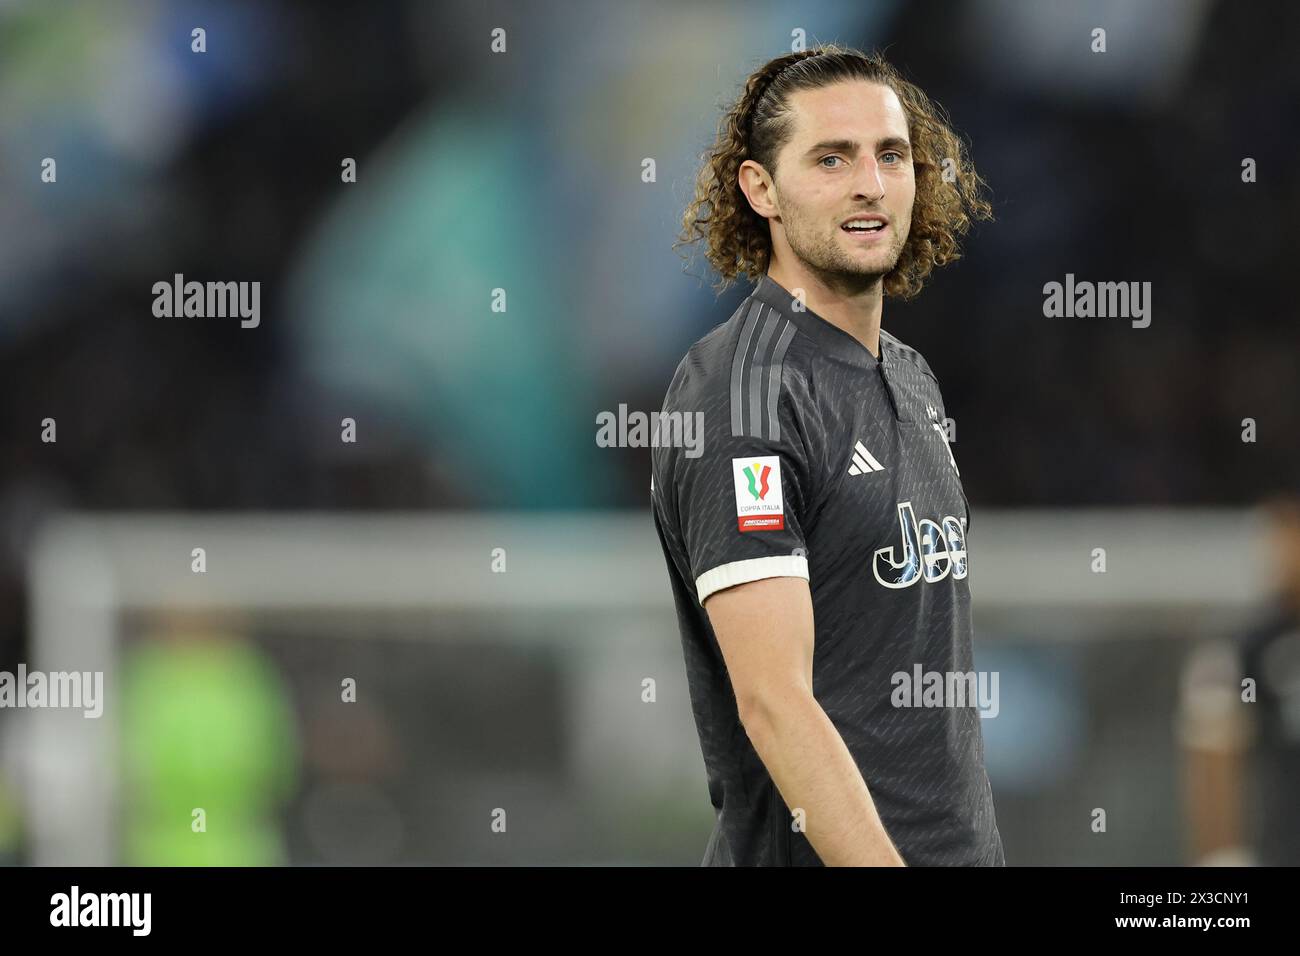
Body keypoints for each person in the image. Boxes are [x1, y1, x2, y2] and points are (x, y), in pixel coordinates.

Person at [650, 45, 1002, 865]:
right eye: (830, 158)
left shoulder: (911, 376)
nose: (870, 184)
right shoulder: (742, 395)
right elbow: (774, 703)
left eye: (891, 155)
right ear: (760, 189)